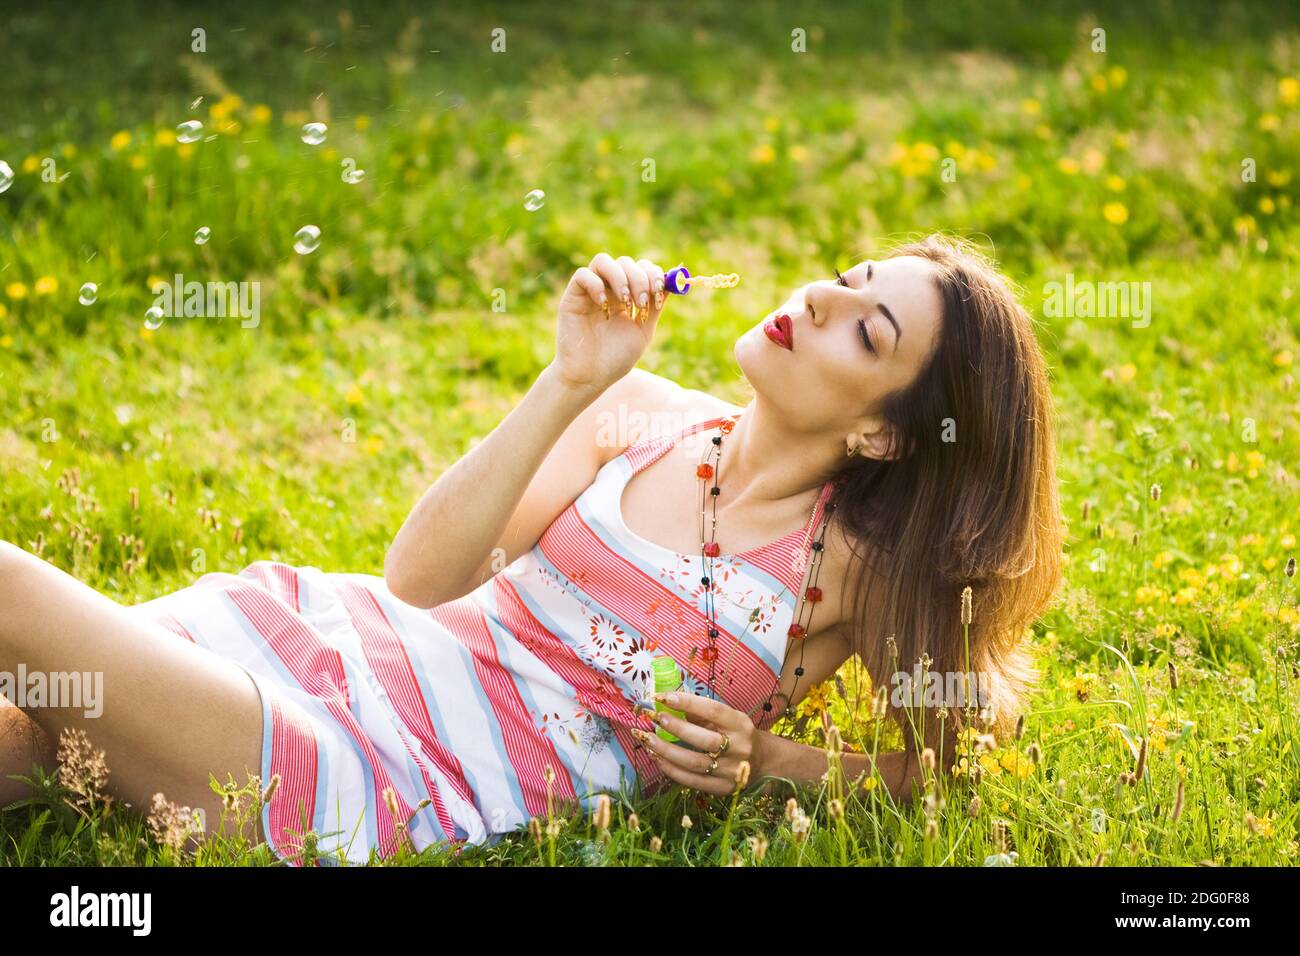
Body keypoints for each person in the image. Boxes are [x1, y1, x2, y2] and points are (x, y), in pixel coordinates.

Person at [0, 233, 1064, 865]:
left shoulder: (849, 564)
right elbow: (419, 577)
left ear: (881, 431)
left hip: (377, 774)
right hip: (318, 641)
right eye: (849, 274)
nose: (823, 296)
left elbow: (960, 758)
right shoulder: (639, 412)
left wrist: (770, 762)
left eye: (865, 330)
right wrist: (571, 377)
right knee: (26, 739)